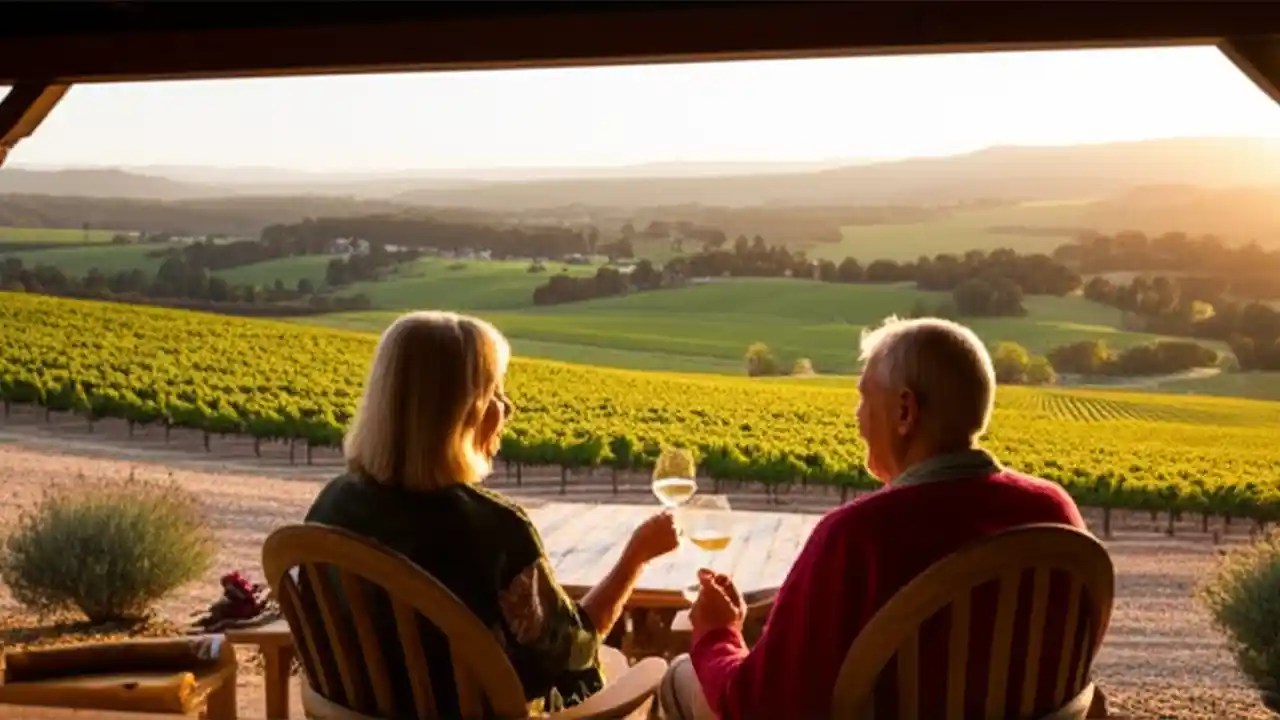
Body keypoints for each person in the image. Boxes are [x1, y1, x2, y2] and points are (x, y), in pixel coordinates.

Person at [660, 316, 1093, 720]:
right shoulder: (1055, 511)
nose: (857, 416)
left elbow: (757, 707)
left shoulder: (860, 537)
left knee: (679, 677)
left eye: (865, 396)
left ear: (905, 412)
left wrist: (718, 634)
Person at [304, 311, 678, 715]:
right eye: (494, 392)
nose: (508, 407)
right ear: (460, 411)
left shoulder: (331, 507)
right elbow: (571, 653)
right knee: (635, 670)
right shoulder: (495, 533)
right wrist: (636, 556)